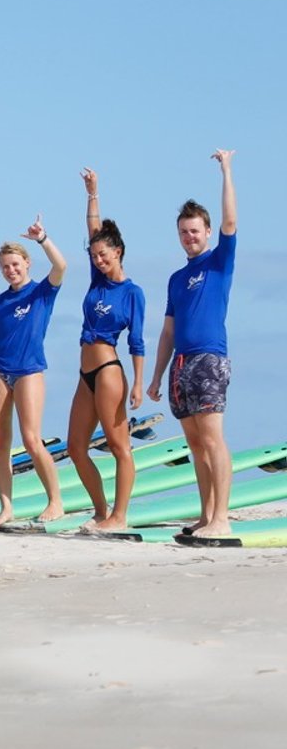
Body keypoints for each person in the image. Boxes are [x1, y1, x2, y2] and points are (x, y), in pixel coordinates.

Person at [148, 150, 238, 539]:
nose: (189, 237)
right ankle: (205, 517)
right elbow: (168, 331)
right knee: (195, 444)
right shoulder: (175, 279)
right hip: (180, 365)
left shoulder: (219, 261)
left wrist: (226, 170)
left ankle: (222, 518)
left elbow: (231, 221)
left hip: (208, 359)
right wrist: (155, 377)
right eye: (184, 232)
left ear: (206, 230)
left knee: (213, 438)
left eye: (195, 230)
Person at [0, 216, 68, 528]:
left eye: (16, 264)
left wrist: (43, 238)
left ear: (27, 263)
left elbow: (61, 267)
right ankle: (6, 508)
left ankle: (55, 501)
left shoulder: (41, 293)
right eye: (6, 266)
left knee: (32, 439)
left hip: (29, 371)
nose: (11, 270)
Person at [66, 170, 145, 533]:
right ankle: (101, 512)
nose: (99, 260)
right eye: (94, 255)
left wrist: (140, 383)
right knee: (75, 446)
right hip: (85, 374)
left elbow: (138, 342)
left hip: (111, 371)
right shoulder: (96, 280)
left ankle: (120, 516)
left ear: (119, 252)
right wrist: (93, 194)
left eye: (104, 254)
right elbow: (94, 228)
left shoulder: (133, 292)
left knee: (118, 445)